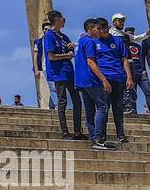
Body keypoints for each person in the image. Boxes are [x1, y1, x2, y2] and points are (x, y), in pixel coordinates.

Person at [83, 16, 133, 149]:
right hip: (104, 79)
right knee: (103, 108)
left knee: (118, 107)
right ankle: (102, 135)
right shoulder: (94, 42)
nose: (103, 29)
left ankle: (120, 134)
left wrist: (129, 77)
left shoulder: (117, 40)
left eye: (105, 26)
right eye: (101, 27)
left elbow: (124, 59)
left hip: (118, 77)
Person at [42, 10, 85, 140]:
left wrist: (71, 47)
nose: (64, 21)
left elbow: (69, 48)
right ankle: (65, 132)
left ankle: (77, 131)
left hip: (69, 72)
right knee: (62, 101)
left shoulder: (63, 36)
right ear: (56, 20)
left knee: (77, 101)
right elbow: (51, 56)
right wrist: (66, 55)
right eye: (62, 19)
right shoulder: (49, 36)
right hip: (58, 73)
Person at [73, 18, 99, 142]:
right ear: (90, 29)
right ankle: (98, 137)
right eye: (97, 28)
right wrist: (103, 79)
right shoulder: (89, 42)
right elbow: (90, 61)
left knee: (90, 110)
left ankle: (94, 137)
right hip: (90, 79)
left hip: (80, 80)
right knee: (102, 107)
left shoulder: (80, 41)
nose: (99, 31)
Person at [122, 26, 150, 116]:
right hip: (130, 72)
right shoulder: (123, 46)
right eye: (129, 33)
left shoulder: (138, 46)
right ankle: (133, 111)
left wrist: (144, 70)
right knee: (132, 93)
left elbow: (142, 59)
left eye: (132, 33)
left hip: (140, 72)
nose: (131, 34)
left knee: (148, 91)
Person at [31, 21, 50, 101]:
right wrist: (36, 69)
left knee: (55, 86)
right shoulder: (38, 42)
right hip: (44, 66)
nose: (47, 31)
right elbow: (35, 55)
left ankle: (53, 105)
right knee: (52, 85)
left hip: (54, 66)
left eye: (49, 29)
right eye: (46, 29)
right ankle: (56, 106)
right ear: (43, 30)